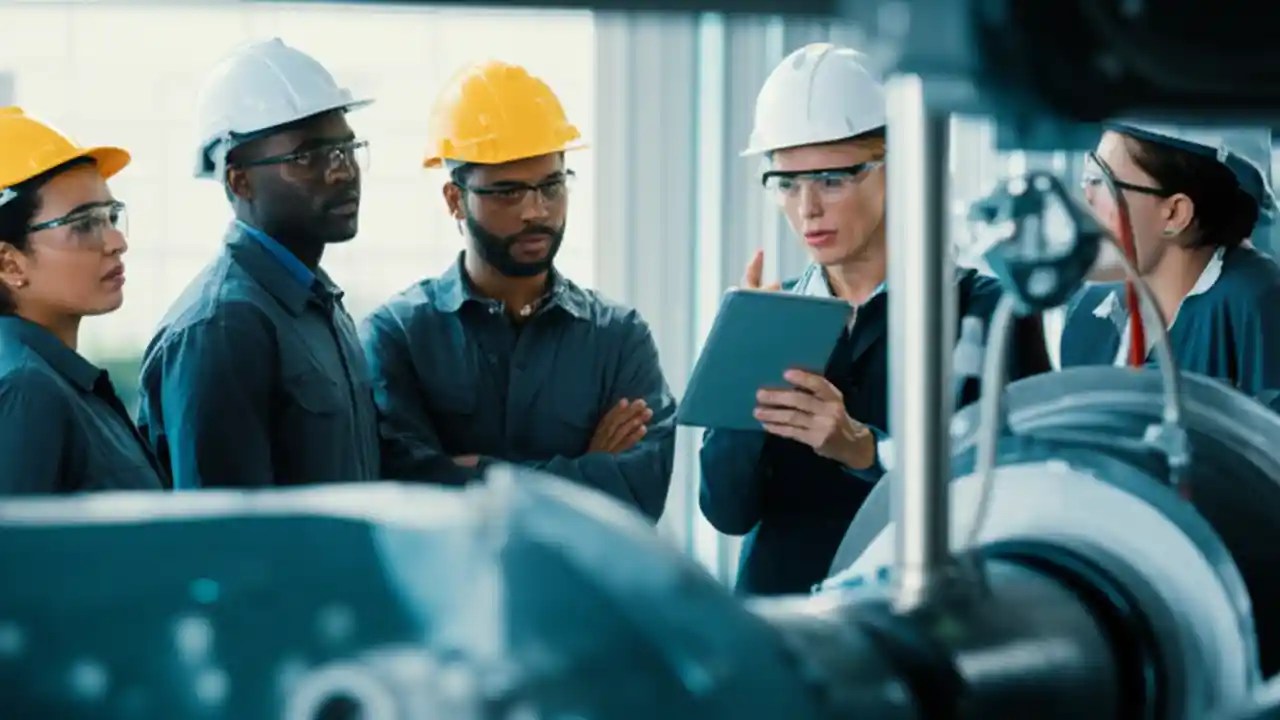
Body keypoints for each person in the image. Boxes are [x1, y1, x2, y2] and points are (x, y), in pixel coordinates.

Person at [698, 43, 1052, 596]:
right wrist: (741, 370)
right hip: (781, 621)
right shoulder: (770, 313)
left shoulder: (987, 312)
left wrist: (865, 450)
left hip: (921, 617)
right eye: (787, 183)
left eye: (831, 180)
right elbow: (727, 512)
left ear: (898, 169)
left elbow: (1019, 499)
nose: (807, 208)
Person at [361, 60, 676, 521]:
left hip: (576, 572)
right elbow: (406, 492)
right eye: (508, 192)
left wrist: (478, 473)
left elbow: (640, 492)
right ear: (455, 200)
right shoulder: (398, 335)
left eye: (551, 186)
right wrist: (588, 470)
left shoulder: (618, 337)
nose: (536, 211)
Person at [137, 38, 380, 488]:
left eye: (347, 149)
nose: (342, 171)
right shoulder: (222, 327)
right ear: (239, 181)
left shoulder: (318, 304)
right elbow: (225, 526)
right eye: (306, 156)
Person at [0, 107, 167, 494]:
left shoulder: (58, 380)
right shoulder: (25, 391)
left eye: (111, 217)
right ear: (9, 263)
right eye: (84, 224)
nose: (117, 242)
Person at [1061, 123, 1280, 410]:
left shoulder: (1256, 304)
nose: (1087, 197)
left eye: (1101, 180)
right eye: (1087, 176)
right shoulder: (1091, 312)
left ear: (1175, 214)